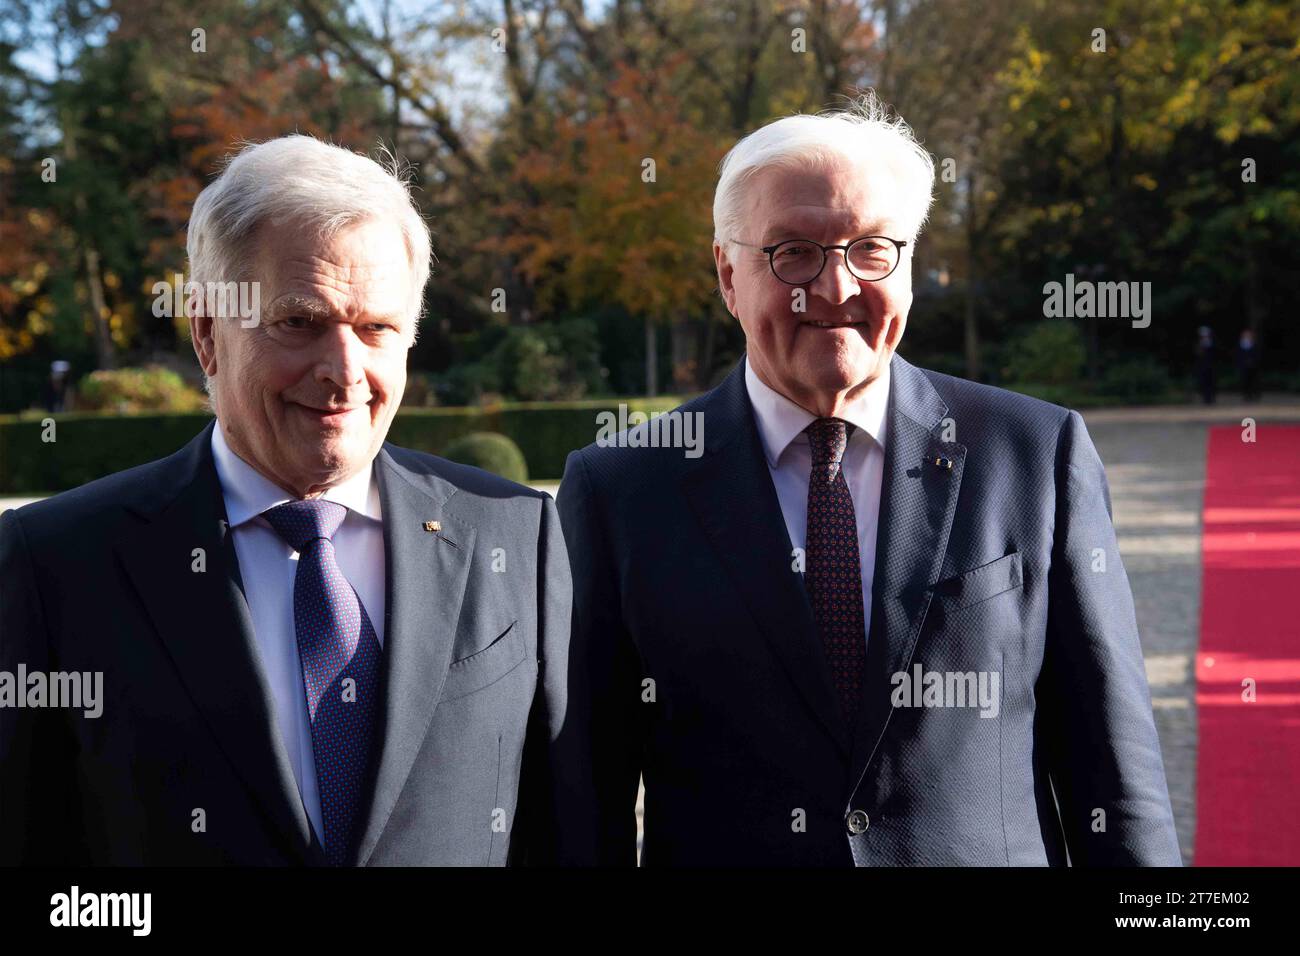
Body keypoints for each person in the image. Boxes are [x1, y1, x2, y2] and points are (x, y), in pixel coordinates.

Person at [558, 93, 1181, 866]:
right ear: (727, 273)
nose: (837, 287)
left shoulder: (1032, 453)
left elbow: (1113, 769)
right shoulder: (621, 490)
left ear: (910, 266)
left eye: (871, 250)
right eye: (793, 252)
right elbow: (586, 798)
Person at [0, 135, 590, 866]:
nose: (344, 371)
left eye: (376, 328)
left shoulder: (514, 533)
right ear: (208, 331)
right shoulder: (59, 563)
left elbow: (566, 839)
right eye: (299, 322)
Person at [1236, 328, 1261, 402]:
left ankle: (1254, 395)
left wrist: (1253, 362)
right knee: (1244, 381)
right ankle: (1246, 395)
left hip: (1253, 366)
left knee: (1253, 381)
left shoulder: (1254, 343)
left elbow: (1257, 355)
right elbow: (1238, 355)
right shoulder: (1240, 344)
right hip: (1244, 367)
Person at [1195, 326, 1216, 404]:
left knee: (1212, 383)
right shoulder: (1199, 344)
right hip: (1202, 367)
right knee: (1203, 383)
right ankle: (1205, 399)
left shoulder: (1212, 343)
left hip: (1211, 367)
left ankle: (1211, 398)